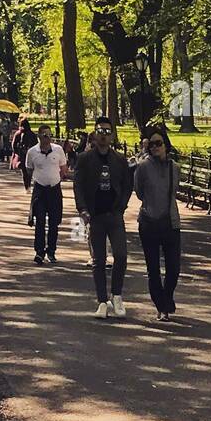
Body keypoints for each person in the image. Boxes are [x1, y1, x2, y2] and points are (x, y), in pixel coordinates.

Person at [72, 122, 131, 318]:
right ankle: (102, 301)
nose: (104, 135)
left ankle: (116, 295)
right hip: (95, 215)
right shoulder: (85, 159)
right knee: (99, 260)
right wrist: (82, 209)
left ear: (112, 135)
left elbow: (127, 185)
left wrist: (122, 206)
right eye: (100, 132)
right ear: (95, 135)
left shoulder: (119, 160)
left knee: (121, 255)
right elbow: (78, 185)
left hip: (114, 215)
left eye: (107, 131)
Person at [134, 129, 182, 320]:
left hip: (170, 221)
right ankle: (161, 305)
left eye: (158, 143)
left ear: (166, 145)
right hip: (148, 221)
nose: (154, 147)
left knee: (174, 267)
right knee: (153, 268)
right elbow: (138, 191)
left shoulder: (175, 168)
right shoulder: (143, 167)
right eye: (151, 144)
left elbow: (174, 190)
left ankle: (167, 296)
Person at [26, 125, 68, 265]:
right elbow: (29, 170)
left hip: (54, 190)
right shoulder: (32, 152)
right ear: (39, 136)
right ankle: (39, 252)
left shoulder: (58, 150)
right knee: (40, 222)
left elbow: (63, 168)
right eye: (44, 135)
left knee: (54, 222)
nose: (47, 138)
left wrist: (57, 179)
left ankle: (51, 251)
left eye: (49, 135)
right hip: (40, 190)